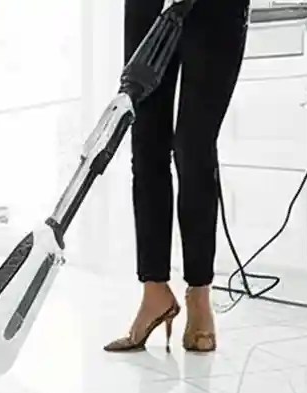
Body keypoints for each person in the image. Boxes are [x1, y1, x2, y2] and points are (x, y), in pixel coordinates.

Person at [104, 0, 251, 354]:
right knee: (146, 144)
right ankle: (154, 292)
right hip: (148, 6)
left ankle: (199, 295)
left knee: (193, 146)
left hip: (216, 10)